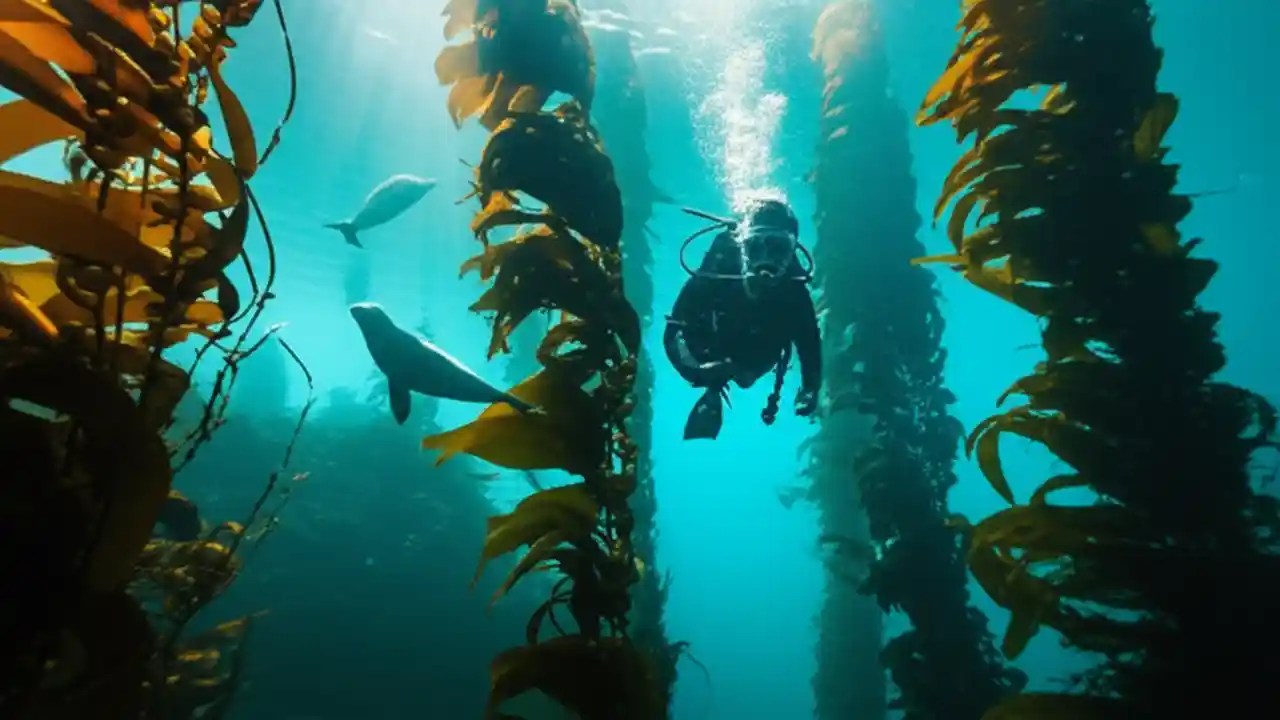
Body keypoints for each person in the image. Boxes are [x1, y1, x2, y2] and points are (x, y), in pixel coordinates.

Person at [663, 194, 822, 440]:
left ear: (791, 252)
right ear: (742, 246)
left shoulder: (794, 289)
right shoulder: (718, 268)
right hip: (712, 348)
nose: (766, 261)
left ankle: (723, 381)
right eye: (755, 247)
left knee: (746, 374)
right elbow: (675, 330)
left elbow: (809, 343)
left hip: (757, 356)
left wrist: (810, 388)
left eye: (778, 249)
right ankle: (715, 385)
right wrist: (698, 371)